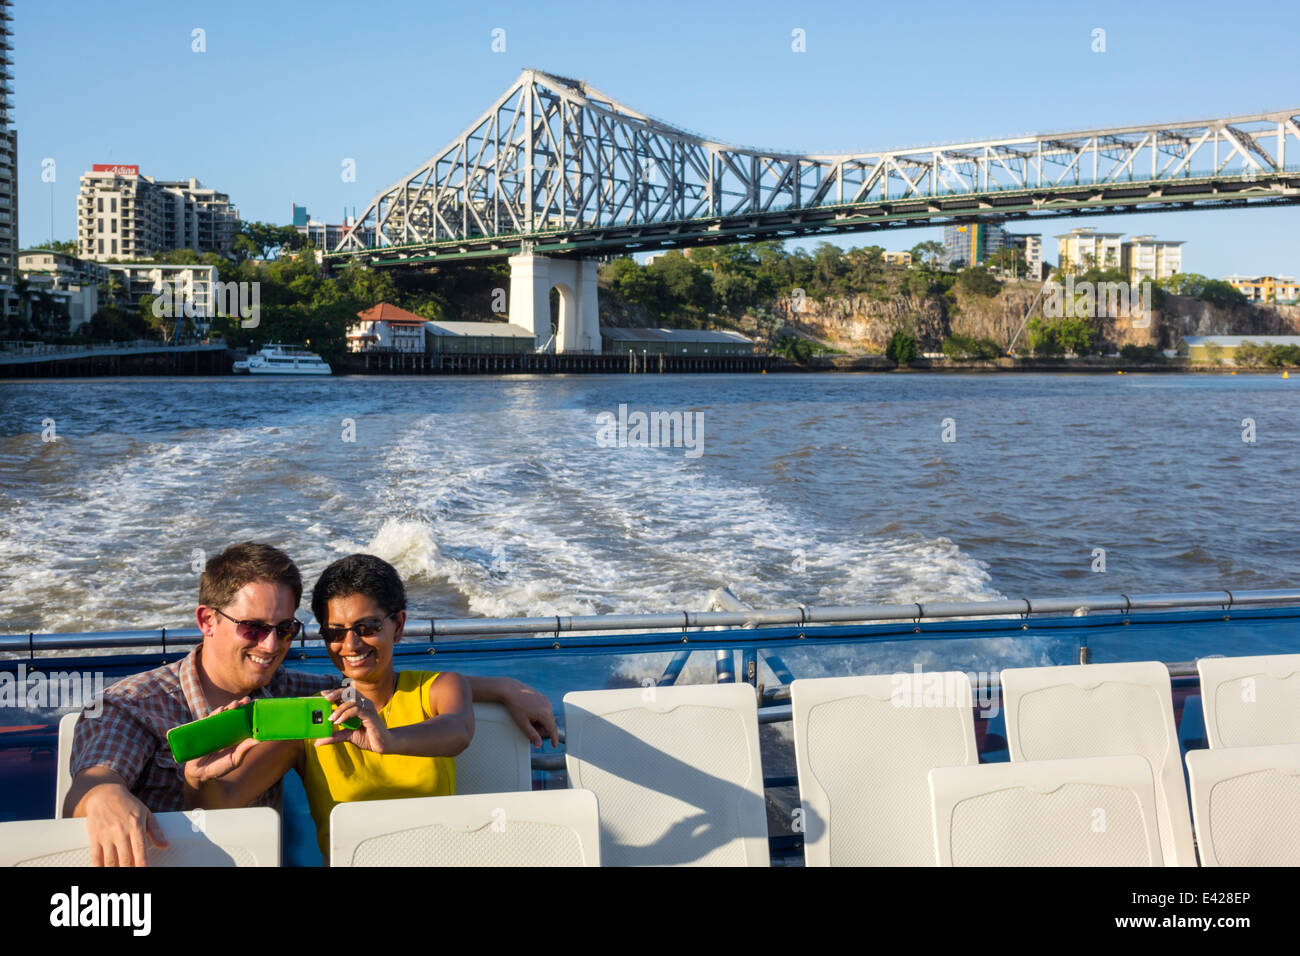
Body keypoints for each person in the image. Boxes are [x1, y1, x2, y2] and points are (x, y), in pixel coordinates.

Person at [64, 542, 557, 867]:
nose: (269, 645)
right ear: (207, 620)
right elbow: (94, 778)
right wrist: (106, 797)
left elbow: (383, 682)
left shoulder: (296, 697)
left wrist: (500, 686)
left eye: (284, 630)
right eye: (253, 628)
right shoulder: (129, 703)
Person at [183, 553, 475, 859]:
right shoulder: (312, 718)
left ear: (398, 625)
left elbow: (458, 731)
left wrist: (389, 739)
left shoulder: (439, 689)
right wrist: (197, 778)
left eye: (367, 627)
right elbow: (217, 805)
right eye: (335, 632)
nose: (350, 645)